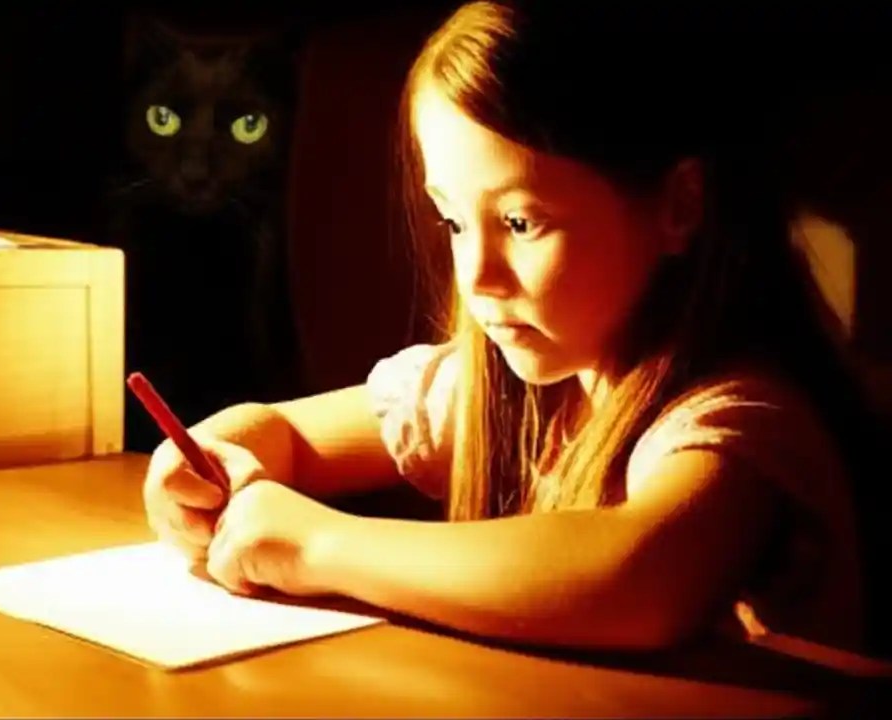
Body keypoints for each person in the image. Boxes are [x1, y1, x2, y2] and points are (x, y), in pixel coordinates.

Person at [140, 0, 880, 656]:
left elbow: (636, 581)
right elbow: (286, 436)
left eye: (521, 222)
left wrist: (315, 544)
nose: (477, 276)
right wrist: (212, 456)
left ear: (679, 206)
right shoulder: (497, 385)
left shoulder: (741, 418)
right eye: (455, 222)